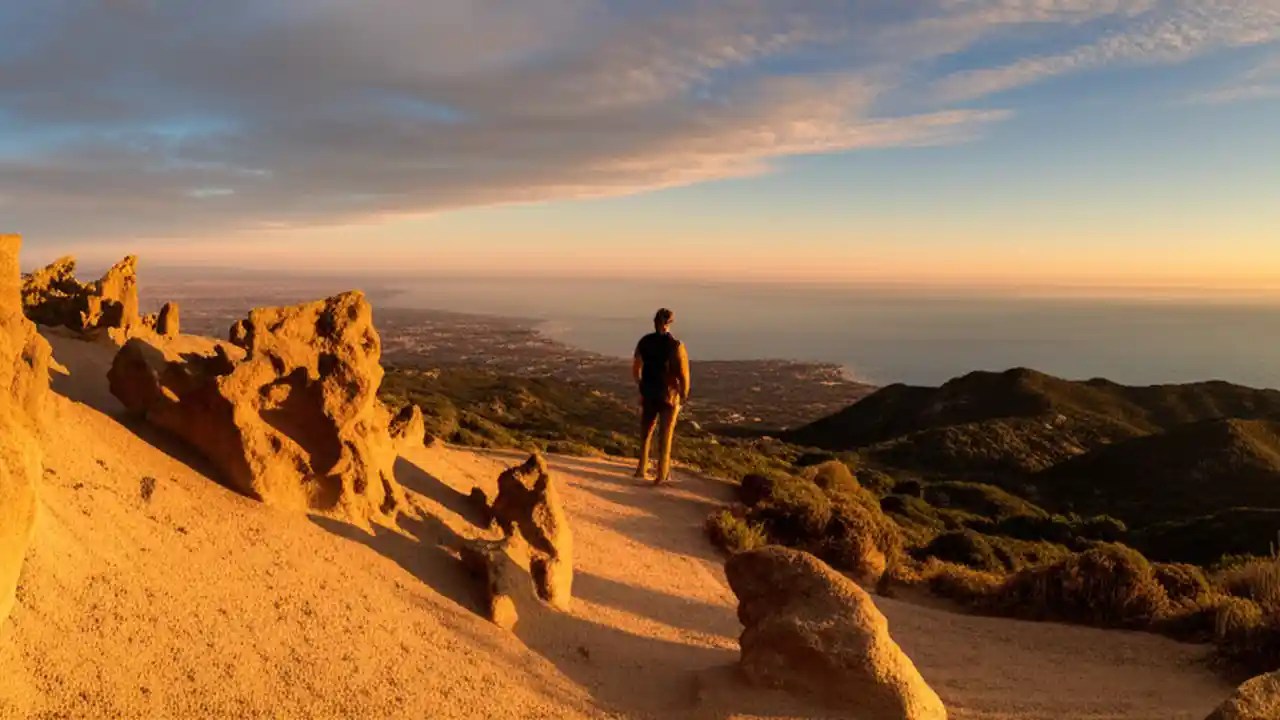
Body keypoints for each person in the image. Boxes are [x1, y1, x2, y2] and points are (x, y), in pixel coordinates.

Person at [632, 308, 691, 484]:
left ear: (654, 322)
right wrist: (684, 394)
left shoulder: (644, 342)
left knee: (646, 433)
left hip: (649, 393)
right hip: (669, 396)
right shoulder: (676, 346)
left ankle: (641, 469)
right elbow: (683, 375)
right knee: (665, 436)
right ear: (670, 323)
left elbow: (636, 369)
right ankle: (662, 474)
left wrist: (642, 385)